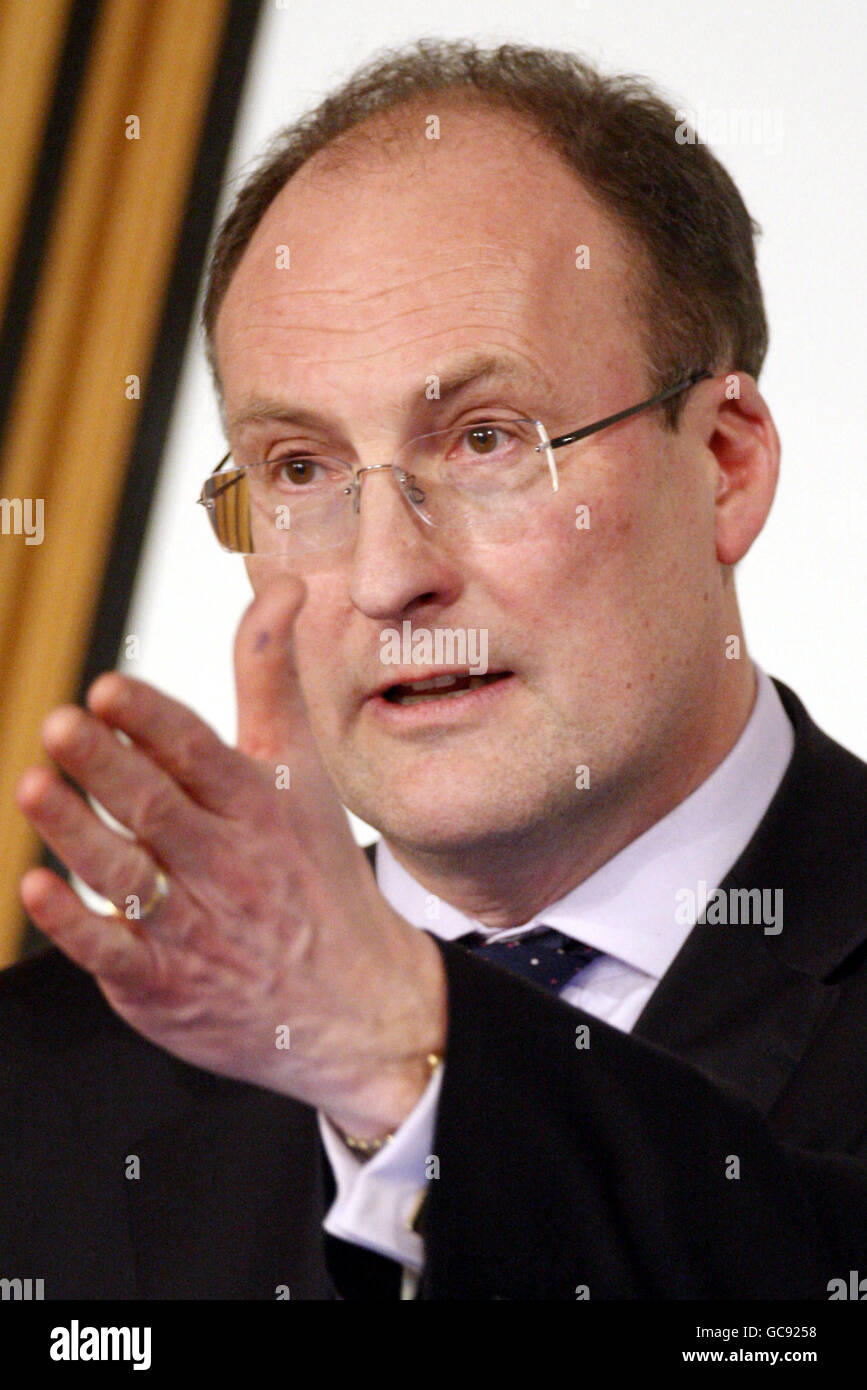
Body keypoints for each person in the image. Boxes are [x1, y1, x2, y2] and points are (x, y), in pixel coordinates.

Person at [2, 40, 866, 1301]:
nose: (386, 576)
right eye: (300, 470)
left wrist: (412, 1060)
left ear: (725, 462)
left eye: (484, 440)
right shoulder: (41, 1086)